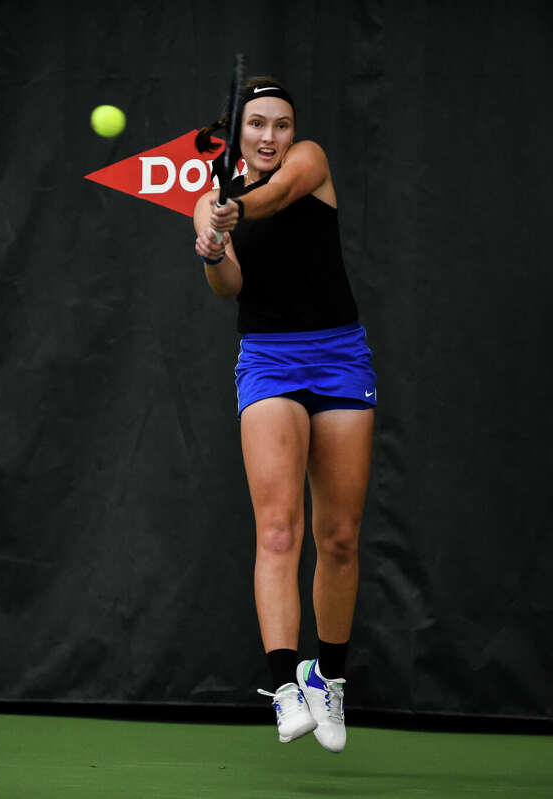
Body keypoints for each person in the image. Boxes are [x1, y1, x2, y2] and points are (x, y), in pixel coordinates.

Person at [190, 77, 376, 753]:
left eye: (282, 124)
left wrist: (235, 208)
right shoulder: (209, 203)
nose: (271, 136)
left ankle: (328, 677)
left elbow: (277, 195)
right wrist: (213, 246)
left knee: (341, 537)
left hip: (341, 358)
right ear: (237, 132)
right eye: (258, 125)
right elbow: (228, 285)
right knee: (277, 531)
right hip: (267, 361)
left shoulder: (310, 162)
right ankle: (284, 686)